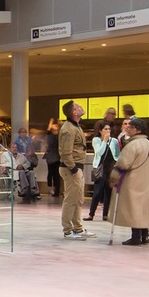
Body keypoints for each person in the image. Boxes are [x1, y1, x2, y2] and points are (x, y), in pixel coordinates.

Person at [112, 120, 149, 245]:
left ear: (137, 129)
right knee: (143, 208)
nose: (127, 128)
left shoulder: (132, 145)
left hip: (132, 181)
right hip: (146, 181)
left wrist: (114, 177)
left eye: (130, 127)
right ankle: (145, 235)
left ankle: (136, 236)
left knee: (134, 208)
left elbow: (123, 163)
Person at [57, 102, 90, 239]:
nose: (81, 107)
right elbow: (65, 152)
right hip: (71, 168)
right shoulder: (68, 129)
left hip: (76, 167)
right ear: (74, 112)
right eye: (78, 107)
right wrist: (73, 168)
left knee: (78, 200)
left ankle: (78, 228)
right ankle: (68, 230)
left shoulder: (76, 126)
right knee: (71, 200)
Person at [86, 120, 118, 223]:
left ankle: (105, 214)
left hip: (110, 167)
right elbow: (99, 152)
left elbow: (117, 155)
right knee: (97, 191)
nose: (108, 131)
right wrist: (104, 141)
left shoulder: (114, 141)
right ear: (100, 131)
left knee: (108, 191)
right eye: (105, 129)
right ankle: (91, 214)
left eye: (109, 129)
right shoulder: (96, 140)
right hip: (100, 167)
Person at [44, 117, 63, 199]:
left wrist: (52, 122)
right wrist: (52, 122)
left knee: (54, 174)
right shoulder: (54, 137)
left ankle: (55, 190)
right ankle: (54, 190)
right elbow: (48, 131)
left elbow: (48, 131)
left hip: (54, 157)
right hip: (54, 157)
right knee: (54, 174)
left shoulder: (55, 137)